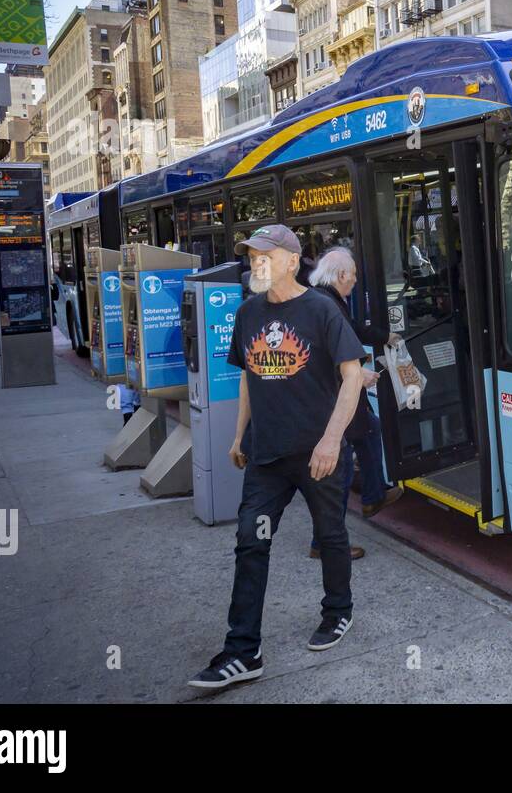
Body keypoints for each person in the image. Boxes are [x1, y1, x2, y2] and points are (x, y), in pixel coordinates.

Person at [188, 224, 365, 691]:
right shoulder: (248, 314)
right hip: (267, 457)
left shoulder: (322, 310)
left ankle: (338, 612)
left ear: (292, 261)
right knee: (251, 543)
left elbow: (353, 376)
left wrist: (331, 441)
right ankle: (243, 651)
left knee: (330, 535)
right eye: (251, 257)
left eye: (265, 257)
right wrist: (238, 435)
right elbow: (249, 375)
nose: (255, 265)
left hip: (317, 454)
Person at [307, 247, 405, 560]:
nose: (354, 281)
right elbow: (321, 353)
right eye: (352, 277)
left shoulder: (327, 300)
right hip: (336, 399)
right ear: (339, 276)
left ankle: (374, 495)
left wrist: (384, 336)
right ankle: (324, 543)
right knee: (341, 470)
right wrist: (357, 374)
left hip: (342, 396)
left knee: (370, 429)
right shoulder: (326, 304)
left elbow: (351, 330)